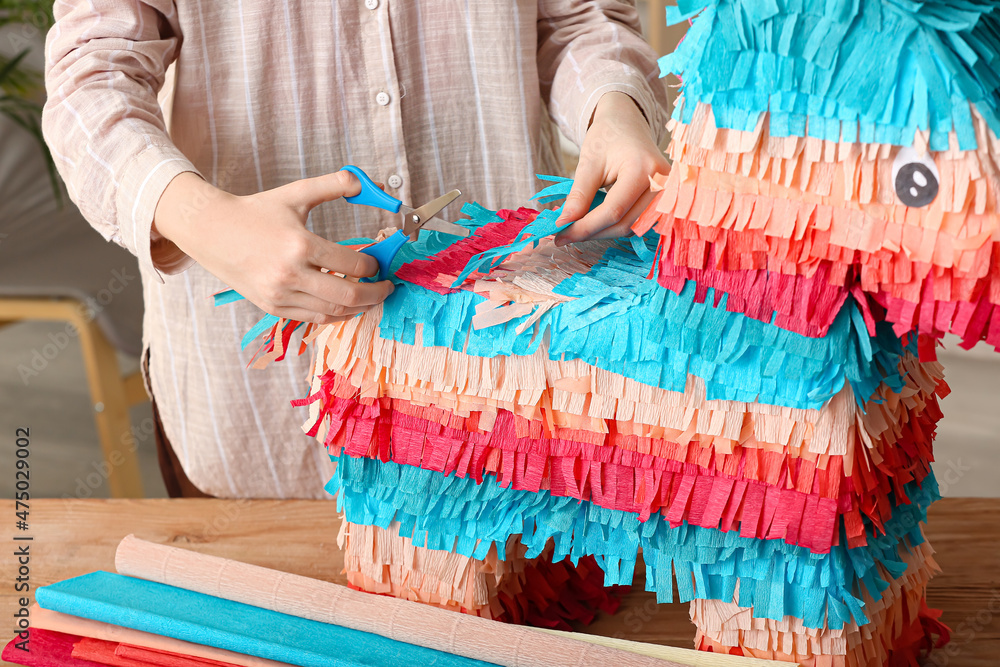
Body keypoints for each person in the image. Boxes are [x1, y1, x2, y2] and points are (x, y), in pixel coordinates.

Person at [43, 1, 670, 498]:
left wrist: (612, 105)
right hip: (260, 429)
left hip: (510, 393)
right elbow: (90, 74)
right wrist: (204, 219)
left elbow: (577, 18)